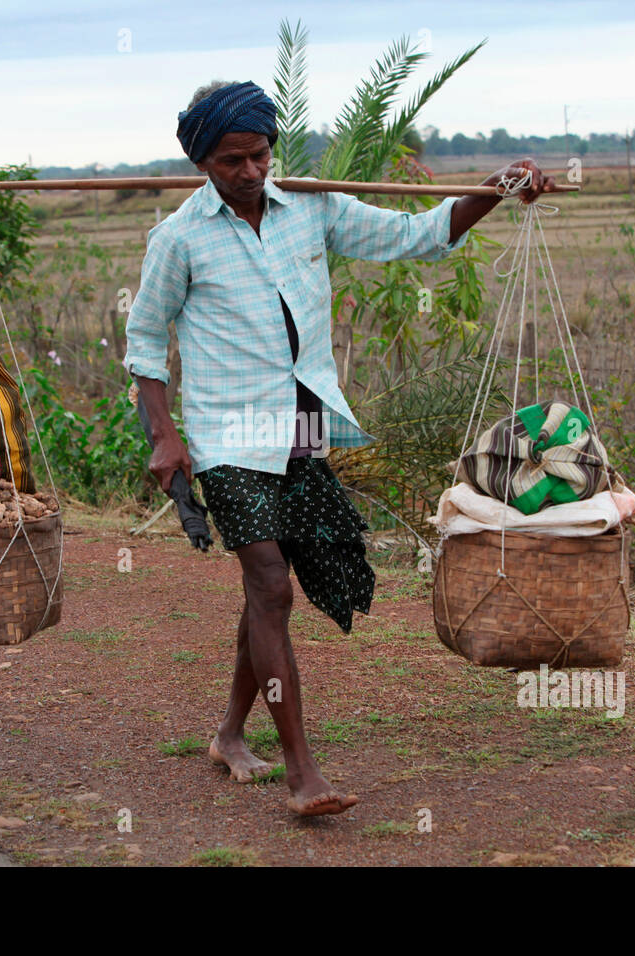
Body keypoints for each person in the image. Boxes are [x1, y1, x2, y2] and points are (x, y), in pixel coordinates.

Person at [124, 79, 554, 816]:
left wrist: (496, 188)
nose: (251, 172)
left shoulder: (313, 207)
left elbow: (419, 236)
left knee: (268, 595)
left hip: (303, 429)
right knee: (270, 586)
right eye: (232, 161)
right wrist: (164, 435)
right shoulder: (178, 240)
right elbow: (144, 344)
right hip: (228, 438)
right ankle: (302, 777)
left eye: (260, 154)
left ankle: (230, 734)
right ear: (201, 161)